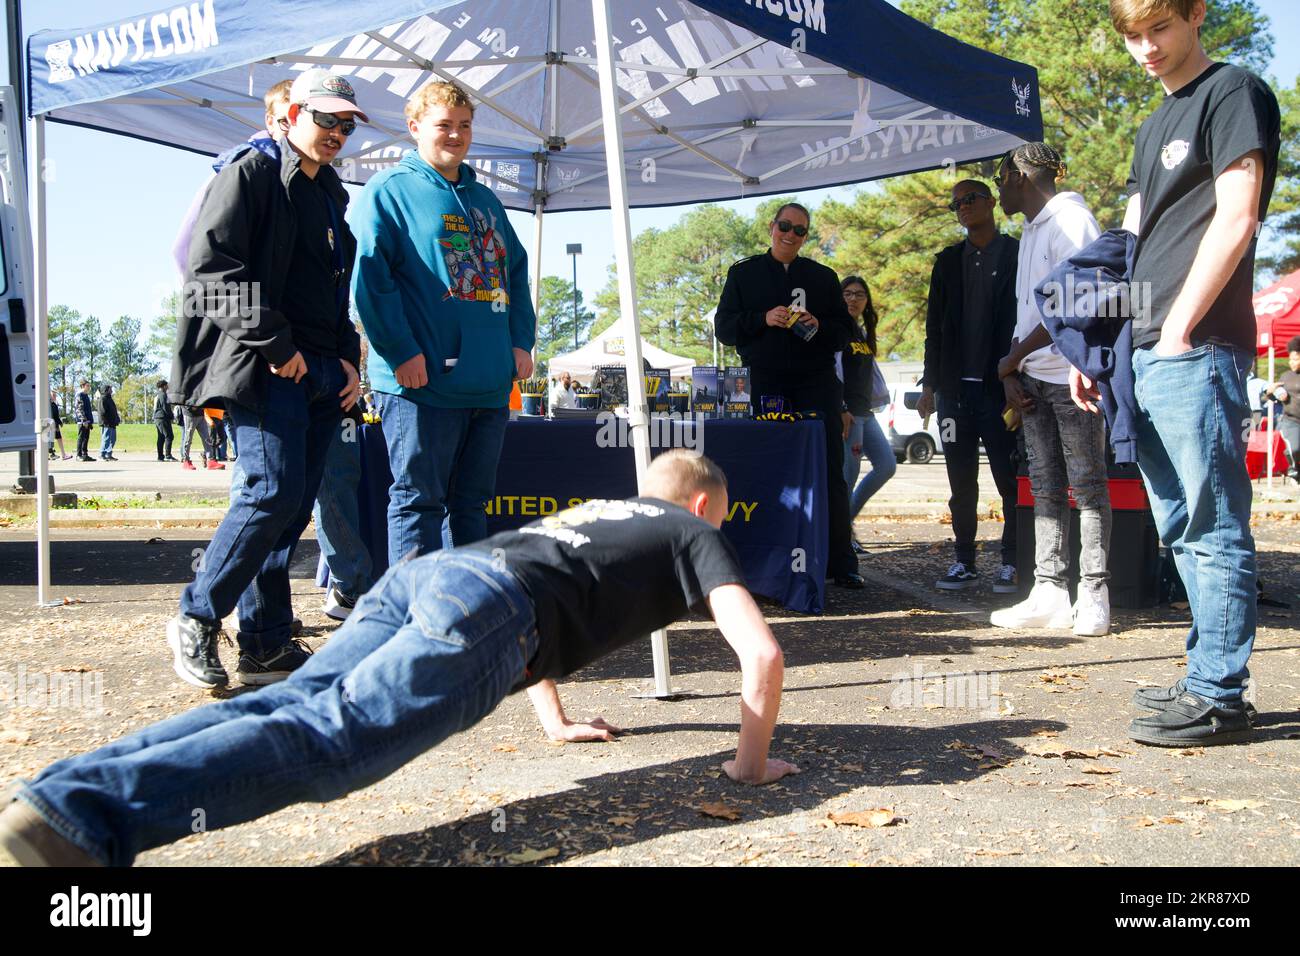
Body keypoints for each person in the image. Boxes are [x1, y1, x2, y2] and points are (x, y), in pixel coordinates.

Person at [0, 452, 795, 867]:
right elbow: (761, 656)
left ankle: (60, 800)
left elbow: (544, 590)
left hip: (432, 576)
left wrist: (551, 723)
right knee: (332, 743)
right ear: (699, 506)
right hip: (487, 611)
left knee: (283, 706)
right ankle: (85, 826)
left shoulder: (600, 514)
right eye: (716, 520)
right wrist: (749, 769)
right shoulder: (692, 531)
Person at [1090, 0, 1281, 746]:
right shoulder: (1154, 121)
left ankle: (1220, 695)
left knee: (1211, 521)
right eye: (1134, 37)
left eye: (1159, 29)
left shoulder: (1233, 90)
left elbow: (1239, 217)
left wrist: (1176, 328)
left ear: (1197, 14)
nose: (1146, 49)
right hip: (1144, 347)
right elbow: (1132, 243)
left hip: (1193, 345)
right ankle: (1208, 673)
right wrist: (1104, 346)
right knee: (1179, 526)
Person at [166, 68, 367, 689]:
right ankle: (196, 615)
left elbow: (333, 292)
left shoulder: (331, 193)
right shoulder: (249, 172)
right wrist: (278, 345)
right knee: (268, 492)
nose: (335, 131)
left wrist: (349, 360)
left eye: (345, 123)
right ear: (288, 116)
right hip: (259, 365)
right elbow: (209, 269)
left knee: (292, 508)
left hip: (321, 373)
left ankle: (265, 643)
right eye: (324, 118)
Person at [352, 81, 537, 567]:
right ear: (414, 128)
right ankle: (412, 617)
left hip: (488, 384)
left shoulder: (485, 200)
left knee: (470, 505)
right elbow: (370, 280)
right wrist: (401, 351)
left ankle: (466, 611)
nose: (455, 135)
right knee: (417, 501)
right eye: (443, 125)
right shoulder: (390, 191)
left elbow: (514, 271)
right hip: (420, 384)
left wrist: (521, 342)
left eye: (464, 125)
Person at [991, 143, 1109, 636]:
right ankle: (1050, 591)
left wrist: (1014, 359)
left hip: (1072, 375)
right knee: (1043, 488)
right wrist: (1015, 370)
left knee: (1087, 485)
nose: (997, 191)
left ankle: (1095, 596)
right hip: (1034, 376)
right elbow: (1029, 311)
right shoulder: (1030, 228)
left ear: (1020, 174)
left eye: (999, 180)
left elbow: (1076, 302)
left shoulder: (1072, 220)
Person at [714, 202, 864, 589]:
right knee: (768, 471)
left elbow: (845, 331)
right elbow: (725, 329)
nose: (791, 235)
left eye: (800, 230)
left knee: (830, 469)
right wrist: (762, 319)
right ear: (771, 226)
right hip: (764, 383)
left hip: (816, 383)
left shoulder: (822, 276)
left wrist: (820, 323)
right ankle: (763, 556)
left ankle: (841, 561)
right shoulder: (744, 273)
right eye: (785, 226)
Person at [917, 180, 1020, 593]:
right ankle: (964, 560)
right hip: (953, 395)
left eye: (970, 199)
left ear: (991, 202)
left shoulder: (1015, 253)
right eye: (956, 203)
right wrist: (931, 386)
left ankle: (1012, 561)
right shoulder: (947, 262)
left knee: (1008, 478)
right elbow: (933, 330)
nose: (963, 207)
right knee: (961, 482)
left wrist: (1015, 374)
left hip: (999, 390)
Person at [839, 277, 897, 548]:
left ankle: (844, 525)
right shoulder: (837, 329)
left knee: (886, 465)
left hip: (866, 412)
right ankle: (840, 538)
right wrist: (840, 408)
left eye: (860, 294)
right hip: (848, 414)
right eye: (847, 293)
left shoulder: (861, 332)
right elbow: (831, 372)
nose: (853, 299)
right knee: (846, 479)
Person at [313, 404, 373, 620]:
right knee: (334, 488)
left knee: (339, 487)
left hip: (337, 402)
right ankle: (351, 590)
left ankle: (261, 602)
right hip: (318, 398)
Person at [1261, 336, 1300, 482]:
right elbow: (1275, 397)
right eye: (1290, 359)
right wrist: (1271, 394)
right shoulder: (1286, 376)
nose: (1292, 363)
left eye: (1296, 359)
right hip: (1291, 420)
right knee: (1294, 448)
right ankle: (1293, 468)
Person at [179, 405, 218, 471]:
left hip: (201, 413)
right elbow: (182, 397)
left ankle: (210, 460)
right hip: (190, 414)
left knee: (206, 437)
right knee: (188, 438)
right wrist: (190, 407)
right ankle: (186, 460)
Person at [95, 384, 120, 461]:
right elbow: (102, 412)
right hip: (106, 423)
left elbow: (114, 411)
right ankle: (102, 454)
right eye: (110, 389)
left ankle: (108, 454)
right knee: (106, 439)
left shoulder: (110, 399)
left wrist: (117, 418)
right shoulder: (103, 399)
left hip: (112, 423)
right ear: (106, 390)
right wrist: (105, 422)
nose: (111, 390)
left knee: (113, 439)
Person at [152, 380, 176, 461]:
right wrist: (171, 416)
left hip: (158, 418)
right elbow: (165, 407)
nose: (168, 387)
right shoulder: (163, 395)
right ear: (164, 386)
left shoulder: (157, 394)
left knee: (161, 437)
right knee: (169, 436)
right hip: (163, 418)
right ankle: (168, 455)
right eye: (167, 385)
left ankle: (160, 456)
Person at [73, 380, 94, 462]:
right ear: (83, 386)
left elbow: (88, 409)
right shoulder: (79, 395)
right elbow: (79, 409)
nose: (89, 387)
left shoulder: (86, 395)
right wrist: (83, 420)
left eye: (89, 385)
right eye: (87, 385)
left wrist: (90, 421)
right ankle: (78, 455)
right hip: (82, 421)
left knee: (86, 438)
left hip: (87, 421)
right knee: (81, 437)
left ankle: (85, 454)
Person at [48, 390, 71, 461]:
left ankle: (60, 454)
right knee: (52, 439)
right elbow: (54, 416)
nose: (55, 397)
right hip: (53, 424)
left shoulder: (52, 404)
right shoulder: (51, 405)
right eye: (53, 395)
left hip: (53, 424)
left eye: (55, 395)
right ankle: (59, 454)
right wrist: (59, 423)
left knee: (53, 439)